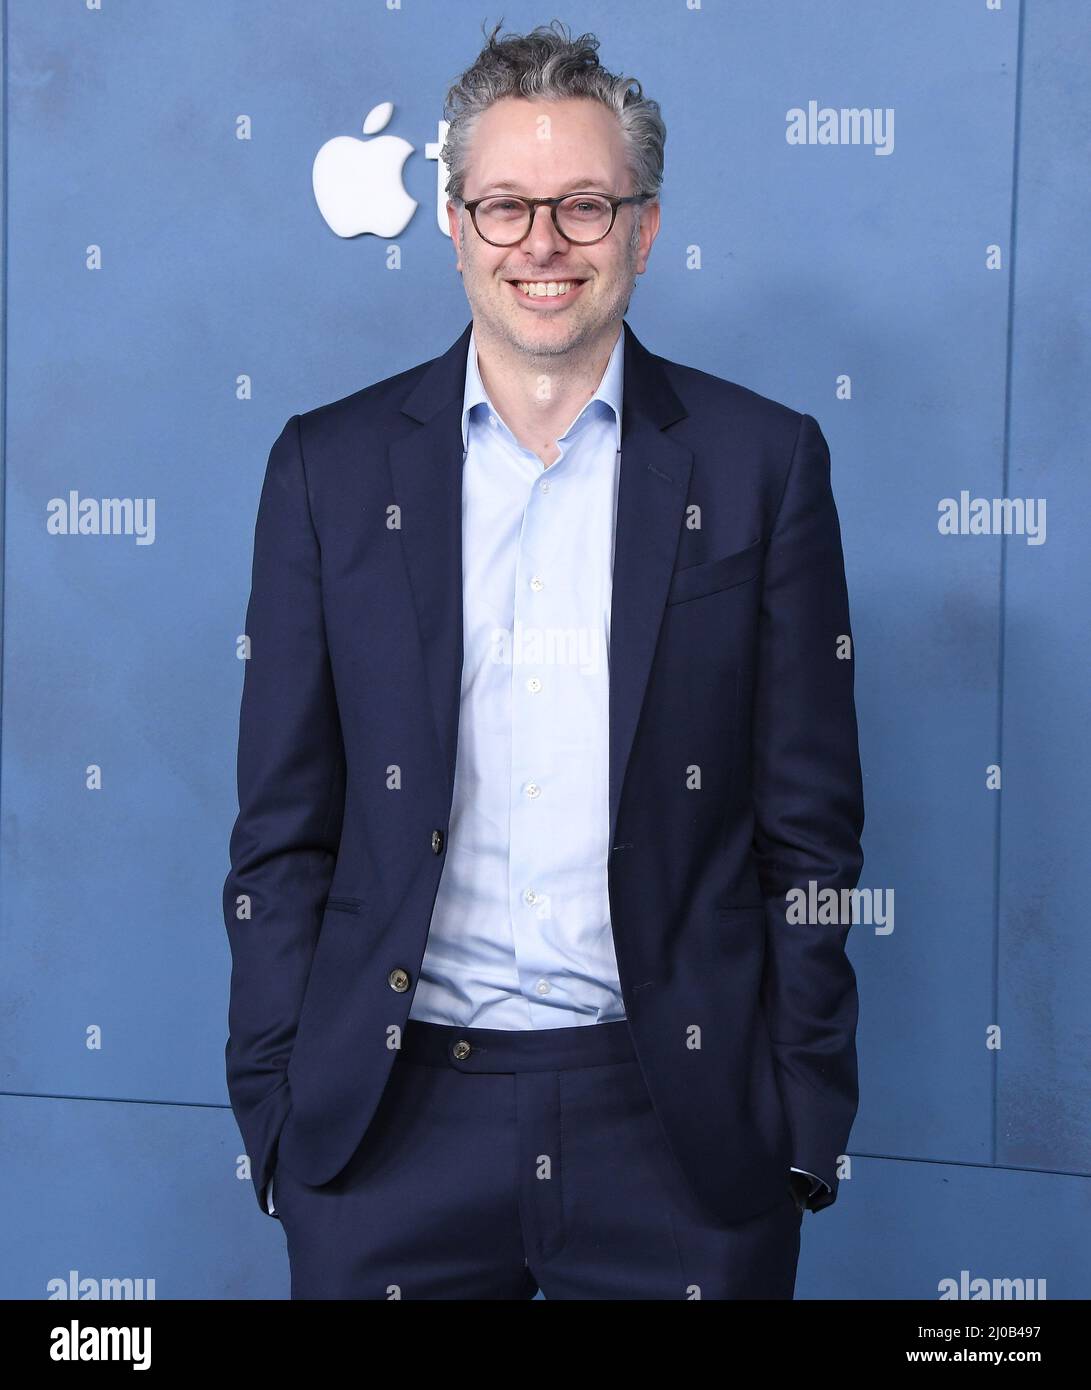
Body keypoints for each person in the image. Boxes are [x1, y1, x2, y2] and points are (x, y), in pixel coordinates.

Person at [223, 19, 864, 1300]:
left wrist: (800, 1118)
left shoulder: (761, 464)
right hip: (387, 1135)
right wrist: (278, 1102)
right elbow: (282, 831)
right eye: (505, 206)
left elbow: (812, 834)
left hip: (677, 1132)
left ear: (643, 227)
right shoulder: (326, 470)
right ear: (452, 224)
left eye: (582, 205)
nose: (542, 245)